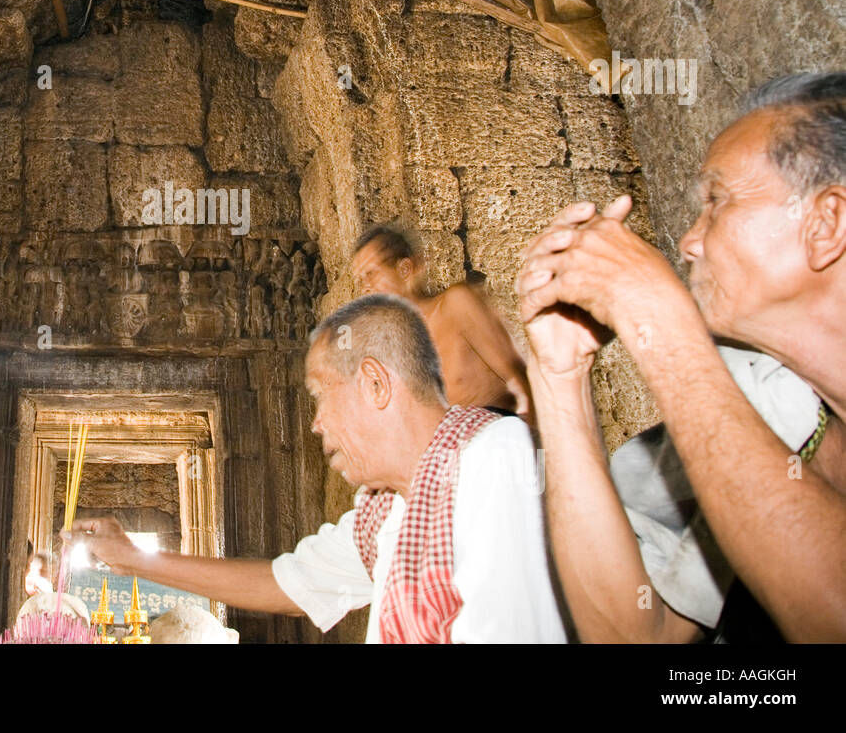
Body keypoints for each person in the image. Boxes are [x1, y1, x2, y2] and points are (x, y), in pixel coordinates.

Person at [517, 71, 846, 642]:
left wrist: (660, 320)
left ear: (826, 223)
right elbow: (638, 636)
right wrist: (559, 374)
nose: (690, 241)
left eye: (717, 200)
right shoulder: (782, 418)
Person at [74, 294, 567, 643]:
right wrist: (132, 558)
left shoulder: (493, 460)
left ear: (375, 383)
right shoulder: (386, 512)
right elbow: (285, 584)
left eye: (320, 396)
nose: (315, 424)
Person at [351, 225, 533, 422]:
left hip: (497, 435)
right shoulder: (395, 351)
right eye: (360, 281)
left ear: (405, 270)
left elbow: (517, 375)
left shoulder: (455, 305)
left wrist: (540, 446)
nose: (366, 289)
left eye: (371, 274)